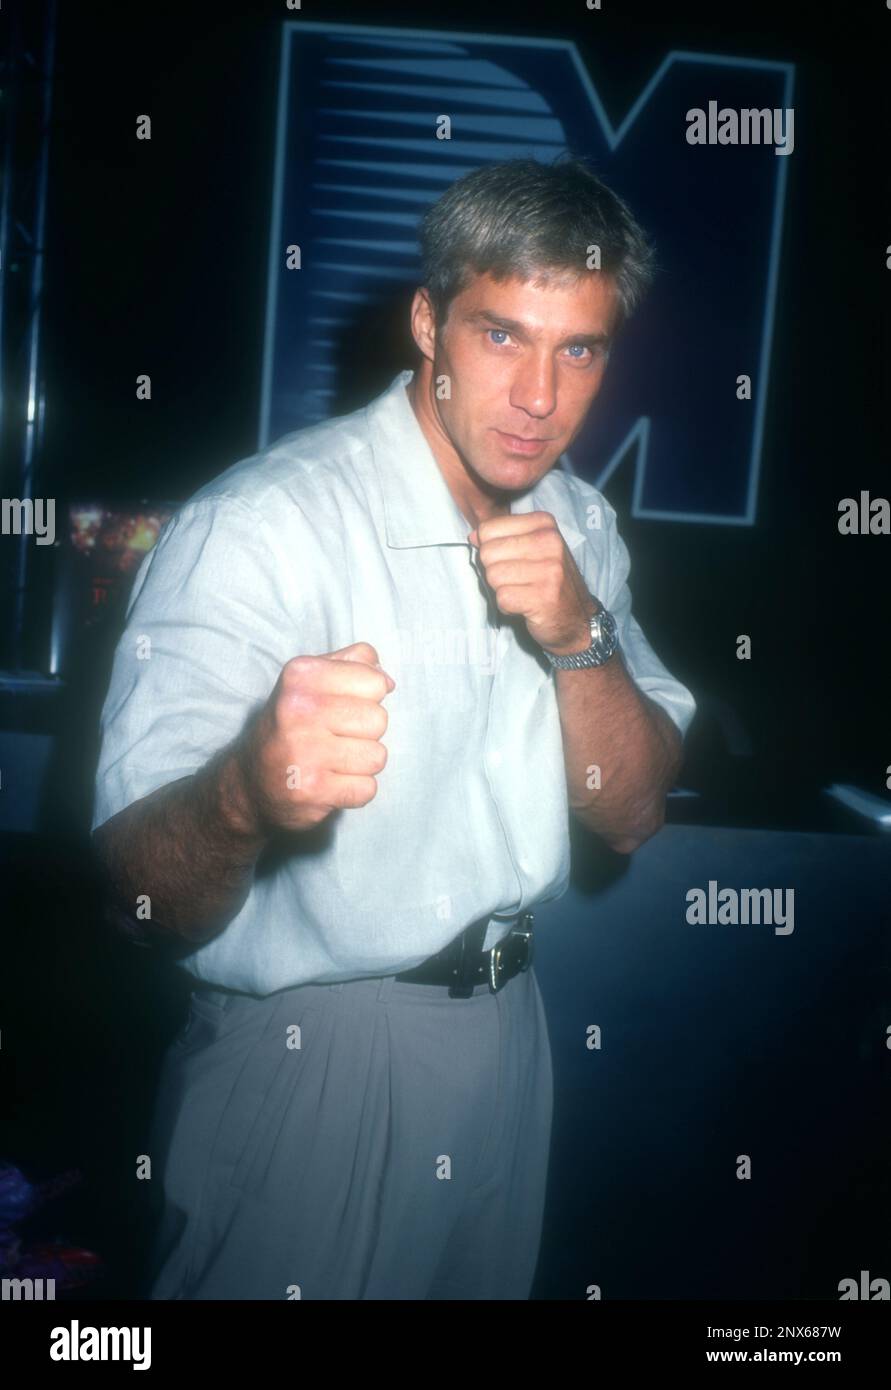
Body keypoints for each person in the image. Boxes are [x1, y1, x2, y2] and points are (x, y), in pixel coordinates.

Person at [91, 156, 696, 1300]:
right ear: (427, 323)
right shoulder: (264, 525)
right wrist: (245, 795)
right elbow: (133, 901)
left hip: (512, 1037)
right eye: (501, 335)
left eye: (581, 349)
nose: (538, 396)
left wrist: (580, 637)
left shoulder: (581, 522)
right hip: (309, 1054)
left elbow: (631, 808)